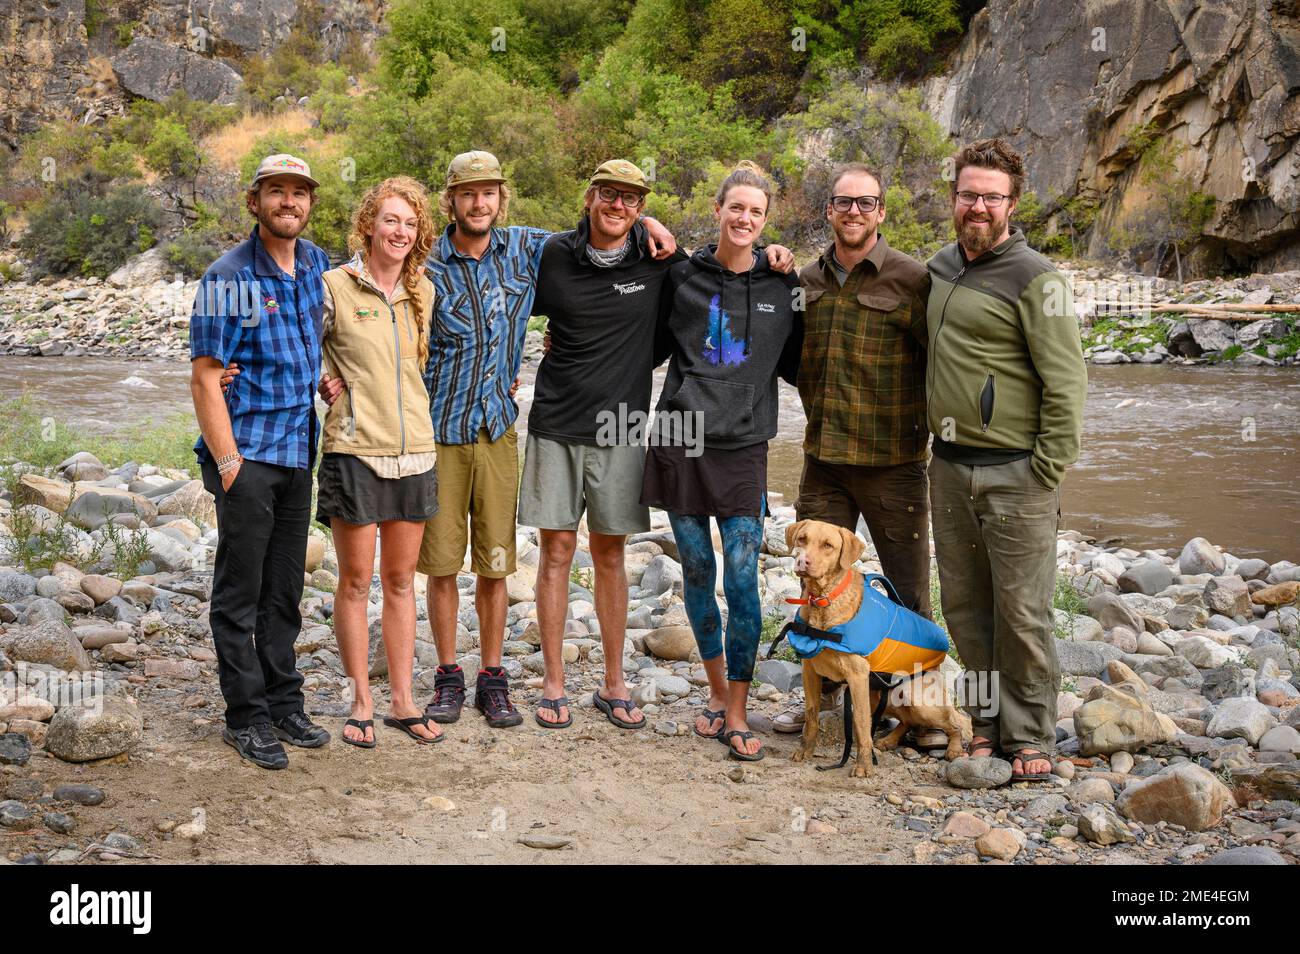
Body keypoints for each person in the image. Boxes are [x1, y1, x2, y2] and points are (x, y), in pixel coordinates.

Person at [319, 152, 674, 730]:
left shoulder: (530, 249)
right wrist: (327, 373)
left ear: (501, 199)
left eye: (489, 193)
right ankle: (448, 677)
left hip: (498, 431)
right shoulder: (422, 261)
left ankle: (493, 678)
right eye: (468, 193)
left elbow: (599, 234)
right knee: (438, 567)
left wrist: (652, 226)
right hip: (436, 431)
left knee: (495, 564)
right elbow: (360, 300)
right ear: (451, 200)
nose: (479, 203)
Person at [926, 138, 1087, 782]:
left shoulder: (1037, 278)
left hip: (1017, 472)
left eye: (992, 197)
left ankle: (1029, 736)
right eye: (969, 194)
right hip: (948, 466)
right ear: (954, 198)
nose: (979, 207)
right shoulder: (938, 268)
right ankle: (986, 724)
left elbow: (1067, 380)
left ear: (1012, 204)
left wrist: (1047, 467)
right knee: (965, 607)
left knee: (1022, 611)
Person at [775, 162, 942, 748]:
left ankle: (908, 709)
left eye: (865, 204)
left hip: (895, 463)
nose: (853, 212)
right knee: (817, 585)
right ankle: (823, 708)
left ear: (881, 213)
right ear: (828, 210)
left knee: (905, 592)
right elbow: (787, 358)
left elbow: (941, 363)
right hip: (824, 459)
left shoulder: (913, 279)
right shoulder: (804, 281)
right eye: (843, 203)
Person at [640, 161, 801, 761]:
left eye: (756, 212)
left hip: (744, 447)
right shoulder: (680, 275)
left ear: (765, 222)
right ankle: (715, 694)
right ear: (718, 210)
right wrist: (648, 220)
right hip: (681, 439)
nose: (745, 219)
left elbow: (808, 357)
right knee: (700, 573)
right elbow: (630, 299)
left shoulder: (783, 286)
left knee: (742, 576)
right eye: (736, 208)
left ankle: (737, 708)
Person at [520, 160, 688, 731]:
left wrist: (661, 228)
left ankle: (613, 683)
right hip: (554, 423)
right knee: (557, 552)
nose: (619, 206)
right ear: (591, 197)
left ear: (640, 209)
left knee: (612, 554)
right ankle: (553, 682)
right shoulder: (555, 255)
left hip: (621, 428)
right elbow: (508, 304)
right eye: (610, 196)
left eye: (632, 200)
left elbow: (707, 289)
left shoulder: (655, 259)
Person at [189, 154, 332, 769]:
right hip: (246, 455)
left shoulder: (317, 264)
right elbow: (204, 379)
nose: (289, 203)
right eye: (277, 192)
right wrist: (227, 463)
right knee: (239, 590)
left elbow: (324, 336)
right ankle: (244, 718)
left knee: (285, 588)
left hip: (299, 450)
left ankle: (283, 701)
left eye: (299, 193)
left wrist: (324, 378)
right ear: (255, 202)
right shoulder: (227, 278)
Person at [315, 176, 441, 747]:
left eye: (410, 223)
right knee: (355, 581)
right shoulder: (332, 287)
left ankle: (404, 701)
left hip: (415, 450)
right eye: (390, 220)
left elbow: (416, 368)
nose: (399, 231)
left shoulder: (423, 293)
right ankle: (361, 699)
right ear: (369, 225)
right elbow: (303, 348)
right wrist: (322, 375)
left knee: (399, 582)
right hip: (355, 452)